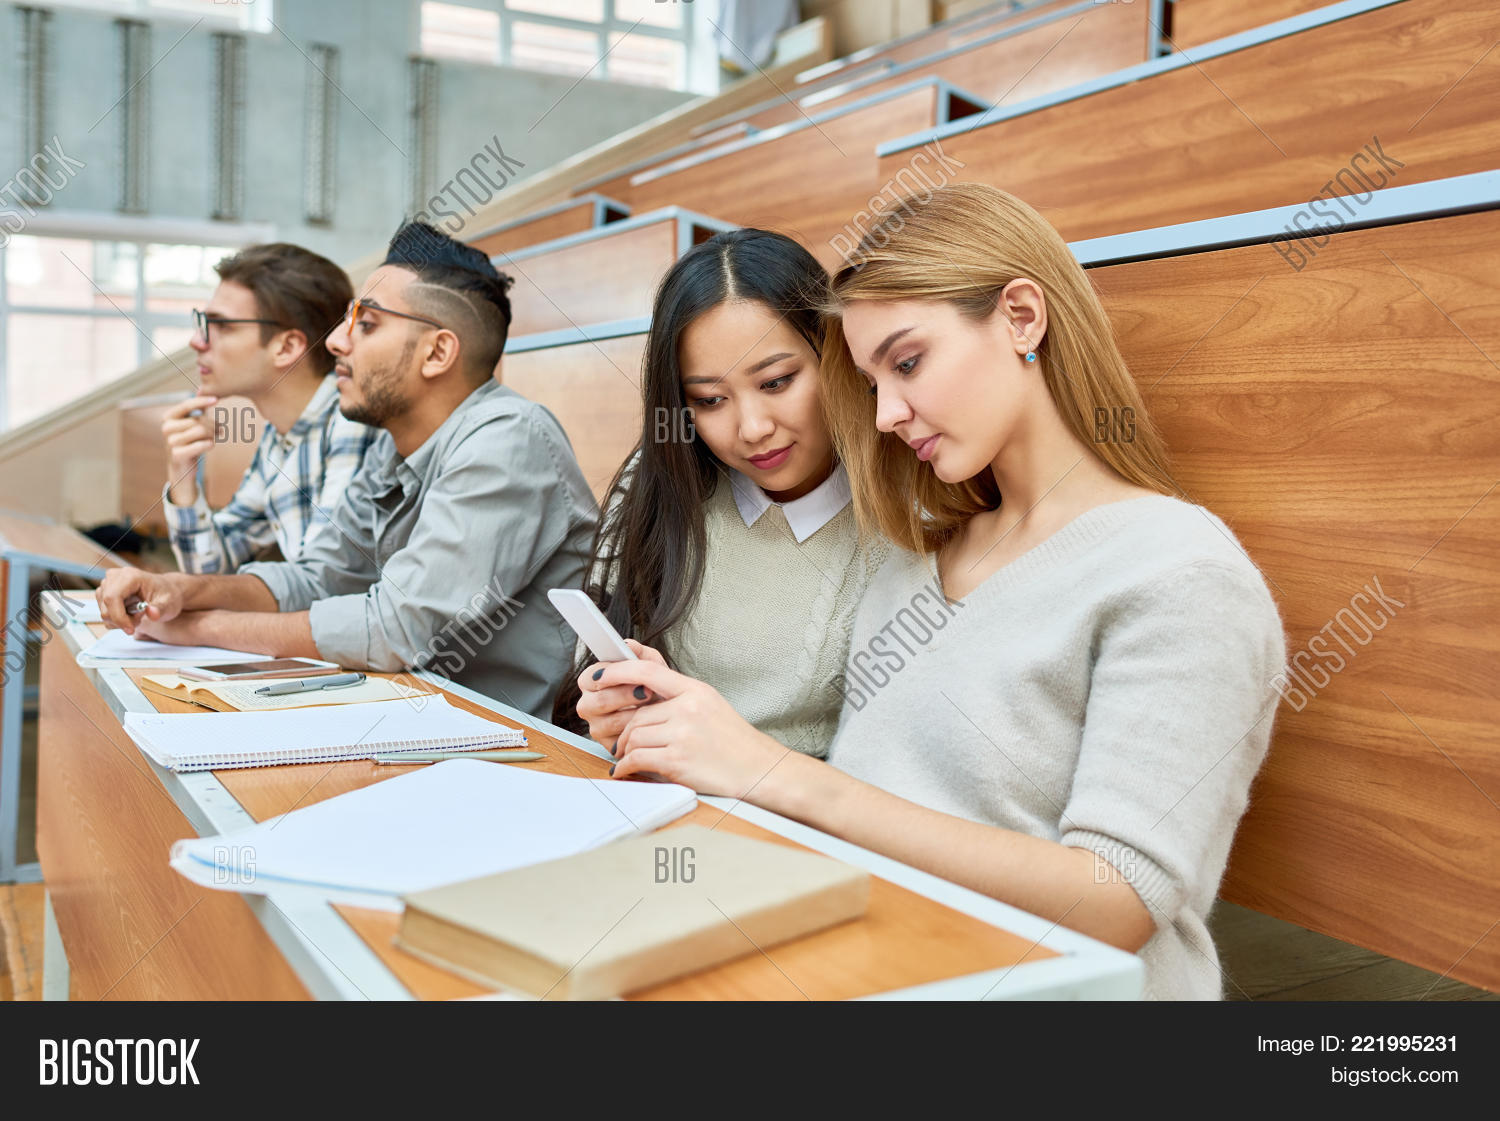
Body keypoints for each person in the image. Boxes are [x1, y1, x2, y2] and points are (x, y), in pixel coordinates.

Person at [579, 184, 1287, 999]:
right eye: (871, 380)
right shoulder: (918, 554)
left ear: (1022, 318)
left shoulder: (1179, 572)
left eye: (907, 363)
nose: (883, 414)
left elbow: (1117, 901)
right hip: (856, 960)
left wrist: (777, 773)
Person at [97, 220, 598, 721]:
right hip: (422, 721)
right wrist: (182, 592)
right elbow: (318, 579)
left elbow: (396, 629)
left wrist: (195, 628)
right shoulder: (393, 448)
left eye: (367, 323)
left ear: (438, 352)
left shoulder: (507, 438)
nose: (336, 340)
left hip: (519, 746)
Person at [555, 228, 889, 759]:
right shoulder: (657, 481)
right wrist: (610, 711)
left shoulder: (906, 500)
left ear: (836, 352)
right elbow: (589, 684)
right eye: (710, 400)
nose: (752, 428)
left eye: (777, 382)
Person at [162, 243, 379, 573]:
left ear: (287, 347)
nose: (197, 340)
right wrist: (183, 473)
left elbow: (326, 578)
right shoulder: (280, 437)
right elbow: (209, 567)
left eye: (222, 325)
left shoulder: (350, 421)